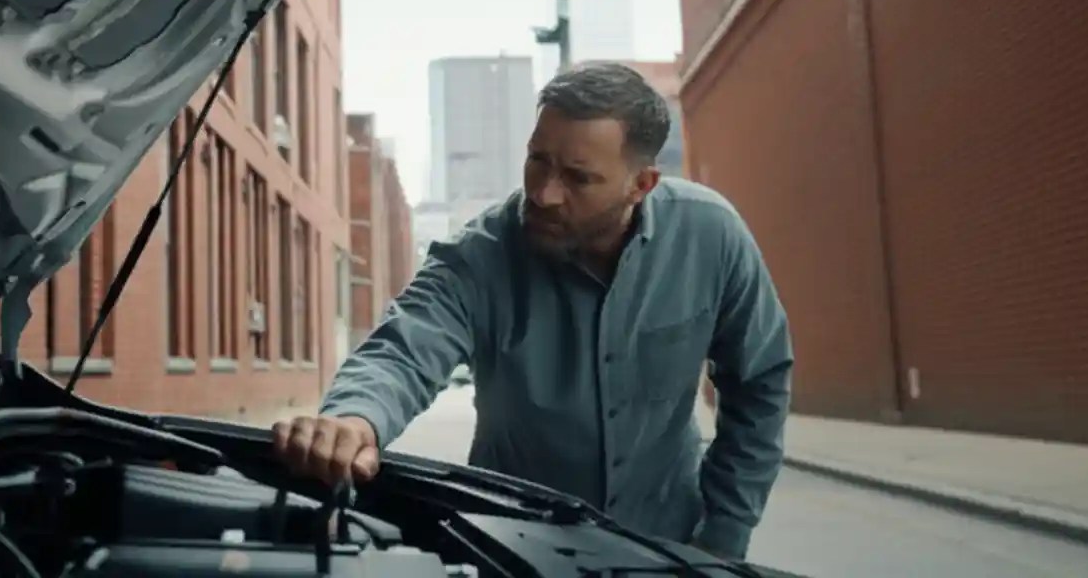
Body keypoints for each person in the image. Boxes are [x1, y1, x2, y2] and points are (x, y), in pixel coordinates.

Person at [271, 62, 793, 560]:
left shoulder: (712, 236)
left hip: (664, 547)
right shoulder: (480, 255)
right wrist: (353, 419)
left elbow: (760, 384)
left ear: (641, 185)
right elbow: (405, 347)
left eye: (578, 177)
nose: (544, 194)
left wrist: (721, 541)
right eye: (537, 160)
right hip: (513, 549)